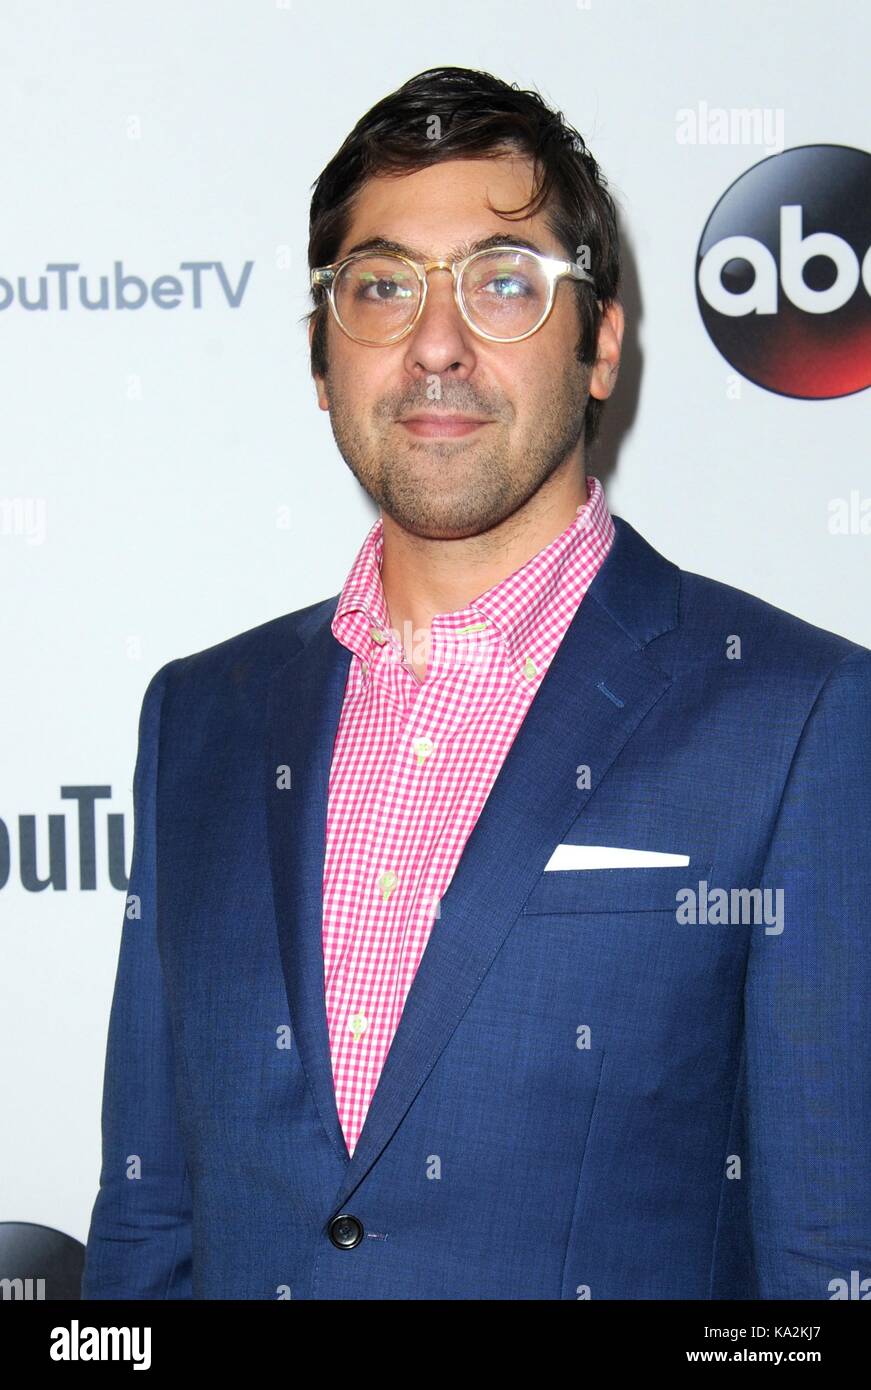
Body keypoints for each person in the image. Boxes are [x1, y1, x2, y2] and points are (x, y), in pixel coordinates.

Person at [81, 66, 871, 1301]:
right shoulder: (202, 718)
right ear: (320, 350)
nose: (435, 344)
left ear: (601, 344)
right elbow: (146, 1224)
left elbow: (828, 1270)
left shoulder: (795, 716)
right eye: (382, 287)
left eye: (505, 284)